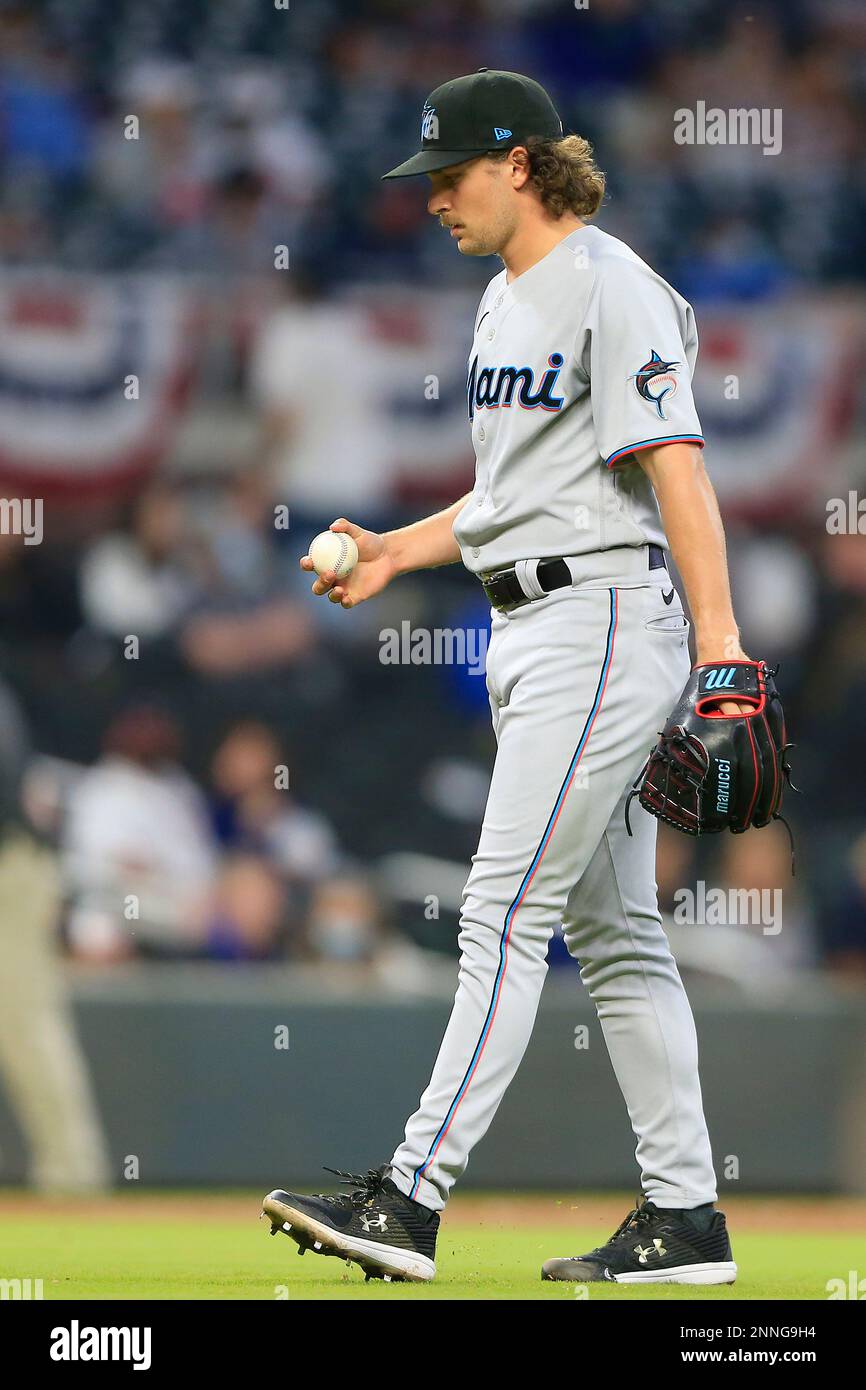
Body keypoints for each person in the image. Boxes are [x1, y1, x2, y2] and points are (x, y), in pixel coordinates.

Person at [263, 69, 747, 1285]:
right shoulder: (499, 302)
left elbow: (675, 466)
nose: (429, 198)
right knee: (616, 931)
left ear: (519, 162)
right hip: (531, 619)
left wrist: (720, 643)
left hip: (597, 619)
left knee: (499, 911)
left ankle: (410, 1196)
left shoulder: (609, 282)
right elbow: (506, 498)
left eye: (448, 173)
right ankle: (686, 1220)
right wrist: (391, 551)